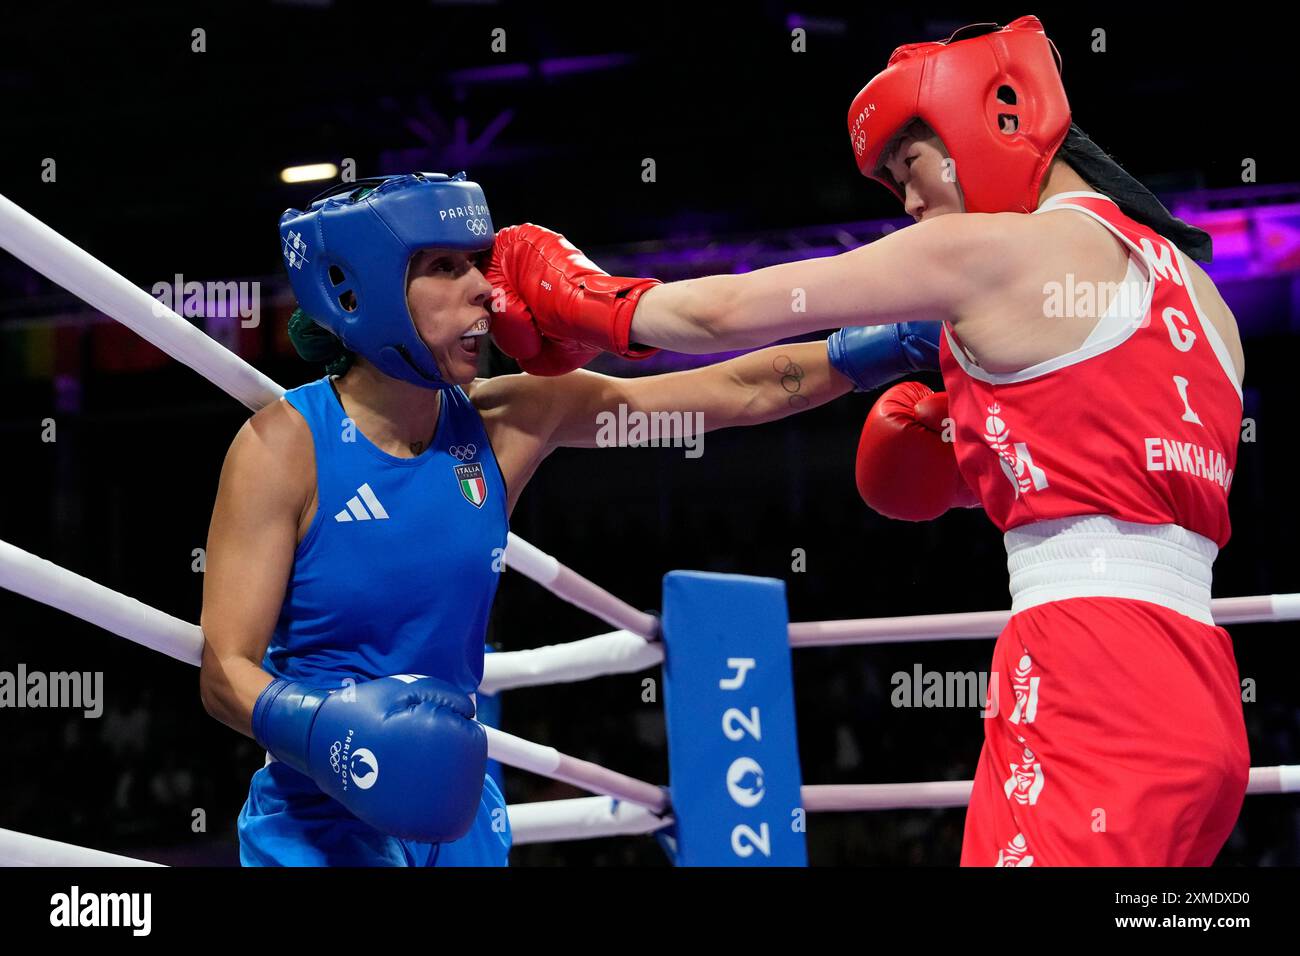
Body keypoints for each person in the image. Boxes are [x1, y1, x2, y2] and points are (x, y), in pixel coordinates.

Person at [487, 16, 1250, 865]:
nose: (909, 203)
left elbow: (722, 314)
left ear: (993, 117)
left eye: (910, 168)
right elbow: (787, 379)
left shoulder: (995, 255)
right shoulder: (1199, 294)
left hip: (1090, 672)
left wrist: (586, 299)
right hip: (1202, 699)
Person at [198, 171, 924, 866]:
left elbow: (739, 390)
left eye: (479, 262)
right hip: (321, 806)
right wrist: (334, 736)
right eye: (446, 267)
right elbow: (225, 672)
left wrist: (896, 342)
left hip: (457, 802)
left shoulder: (511, 420)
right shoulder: (284, 445)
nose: (484, 287)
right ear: (363, 288)